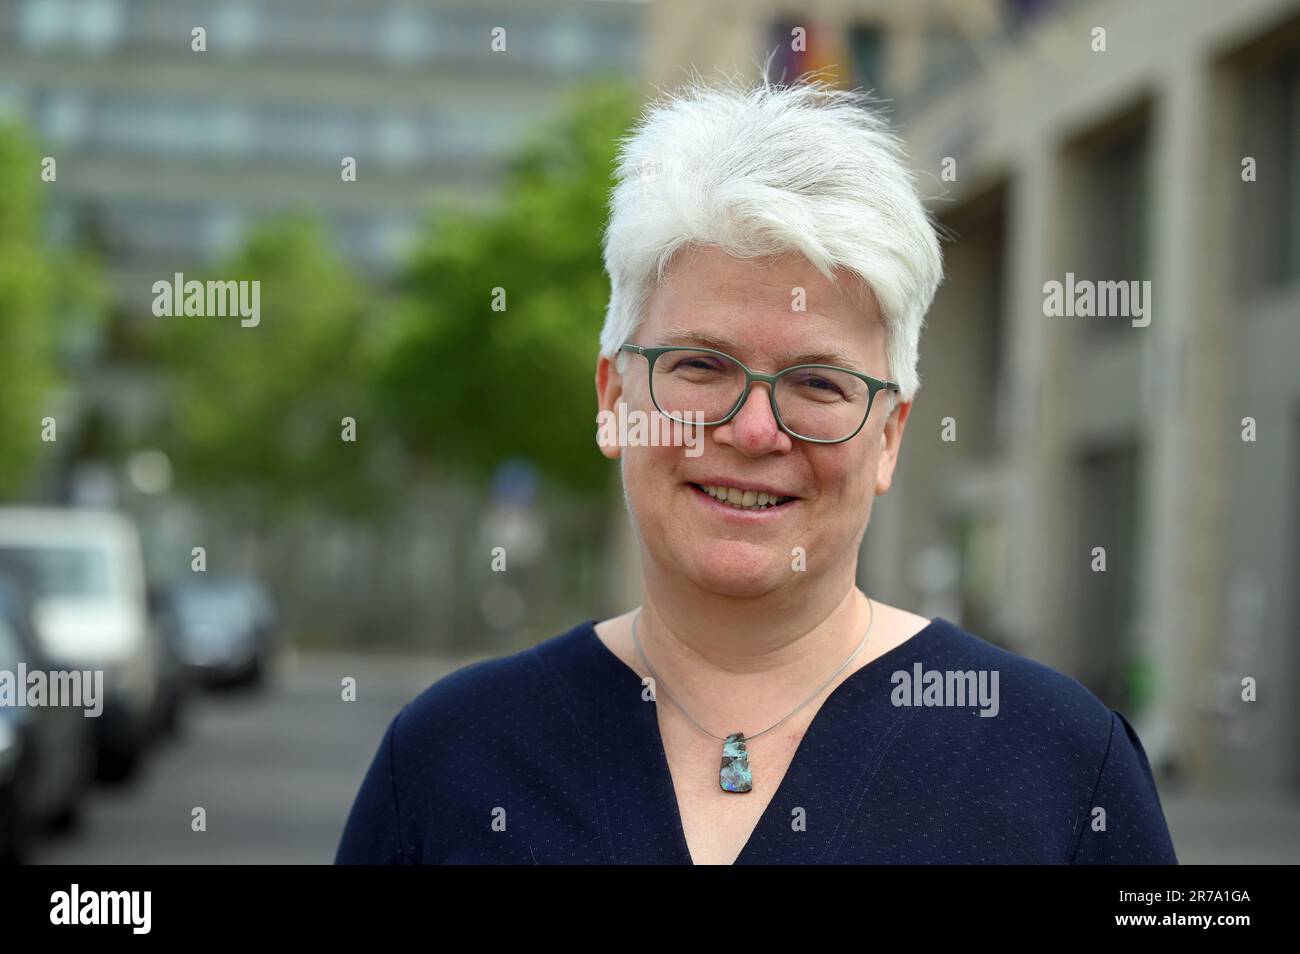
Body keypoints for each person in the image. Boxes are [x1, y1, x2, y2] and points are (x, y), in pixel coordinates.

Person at [336, 73, 1177, 865]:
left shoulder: (1061, 767)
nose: (752, 429)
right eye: (700, 365)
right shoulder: (450, 760)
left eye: (818, 382)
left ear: (889, 436)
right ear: (613, 396)